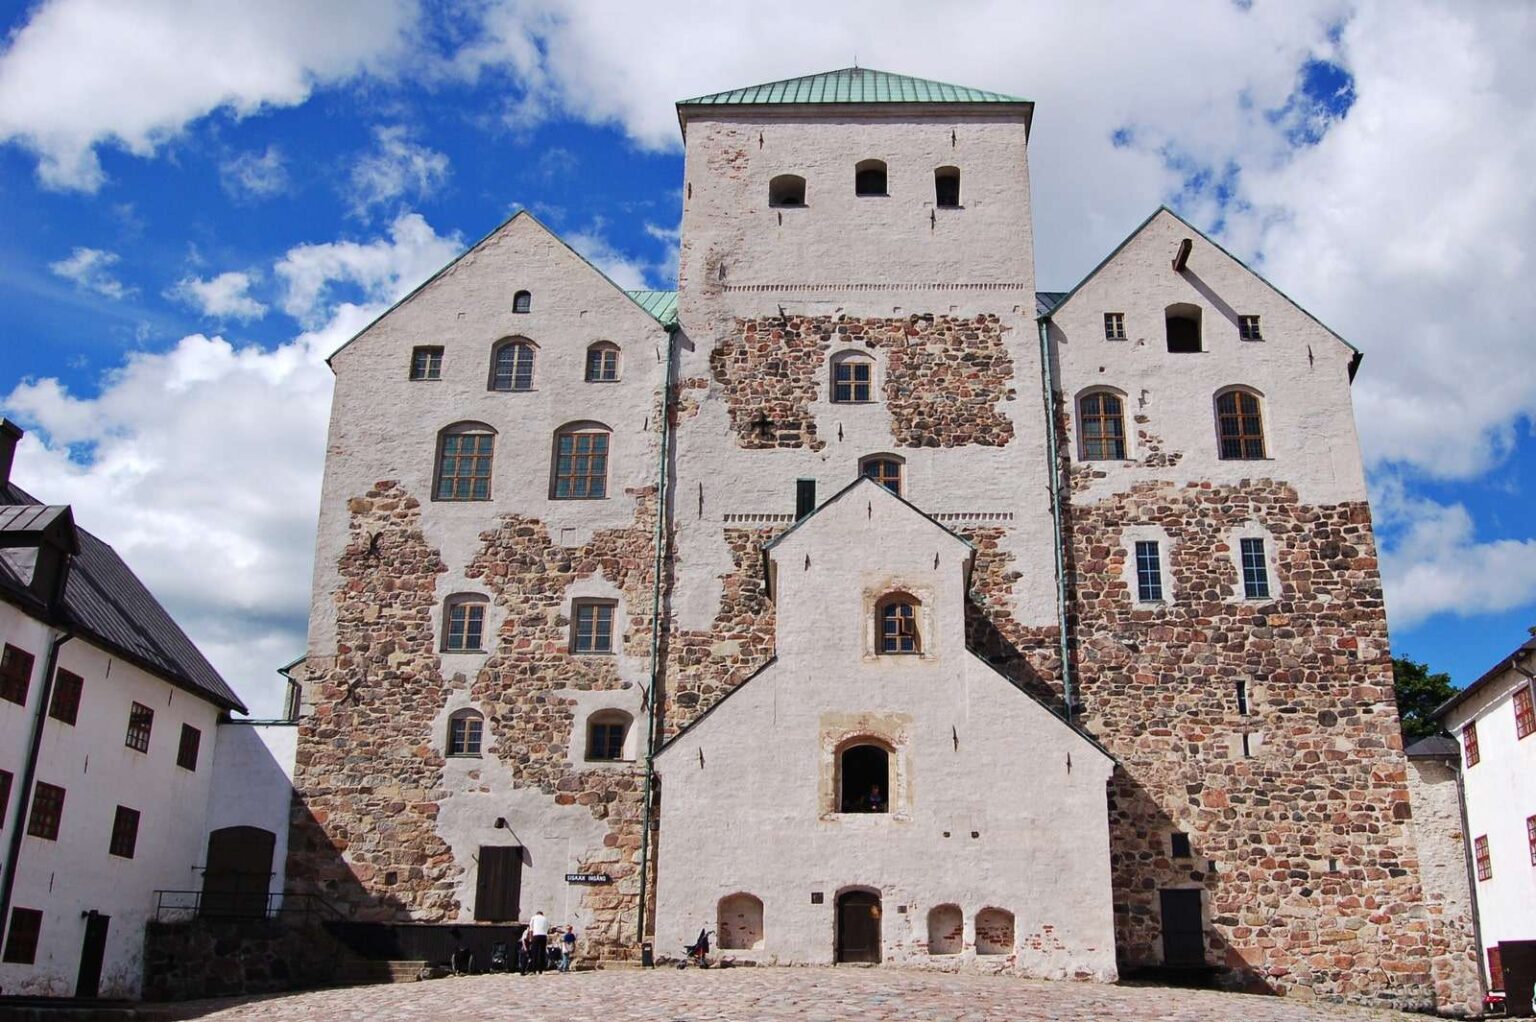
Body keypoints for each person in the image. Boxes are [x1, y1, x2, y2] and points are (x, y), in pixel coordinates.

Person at [529, 910, 550, 974]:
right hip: (543, 936)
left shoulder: (533, 918)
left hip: (536, 935)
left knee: (535, 953)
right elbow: (547, 929)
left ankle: (534, 969)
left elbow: (531, 929)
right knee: (542, 953)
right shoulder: (545, 919)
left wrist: (530, 938)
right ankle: (540, 969)